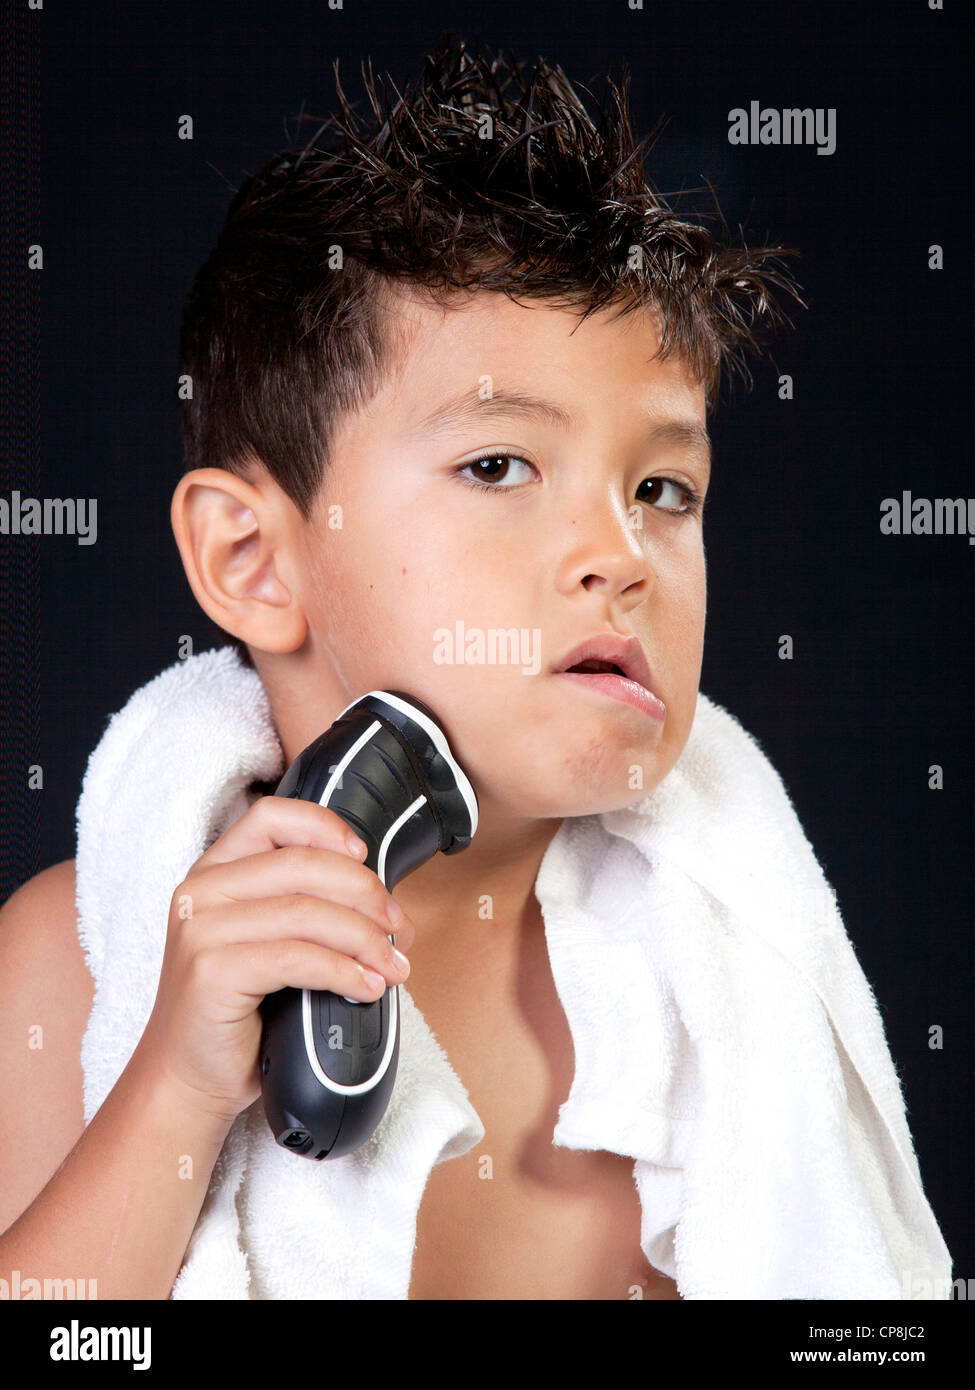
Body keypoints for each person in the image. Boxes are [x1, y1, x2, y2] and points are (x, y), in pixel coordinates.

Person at [0, 35, 951, 1301]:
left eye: (663, 488)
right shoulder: (76, 962)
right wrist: (174, 1085)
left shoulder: (725, 989)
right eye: (500, 466)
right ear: (254, 560)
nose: (620, 554)